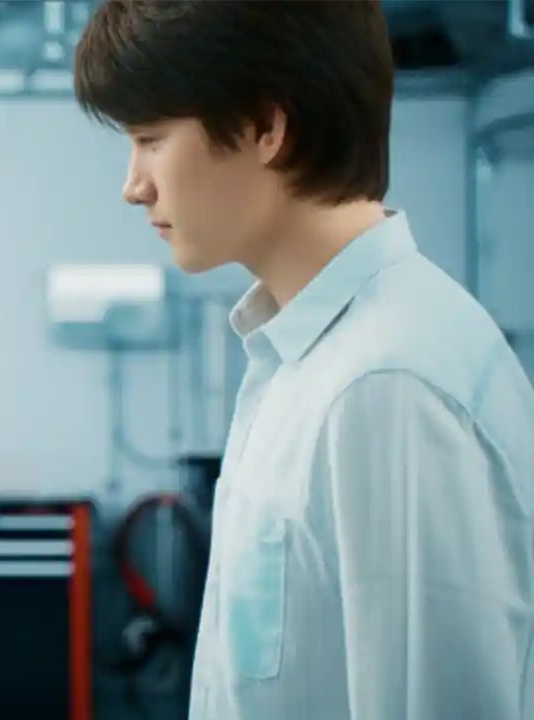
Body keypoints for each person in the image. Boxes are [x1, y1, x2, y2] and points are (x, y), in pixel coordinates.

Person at [73, 2, 534, 719]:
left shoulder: (385, 386)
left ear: (266, 127)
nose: (134, 185)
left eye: (151, 140)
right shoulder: (306, 359)